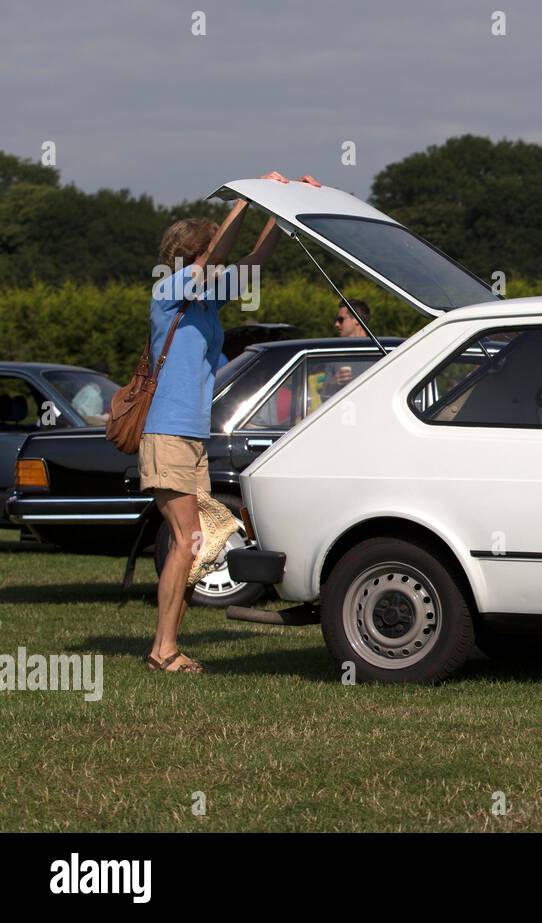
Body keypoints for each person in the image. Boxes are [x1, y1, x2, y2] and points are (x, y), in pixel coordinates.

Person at [142, 173, 291, 674]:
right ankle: (163, 651)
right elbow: (218, 257)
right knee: (187, 540)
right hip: (167, 431)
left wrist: (280, 210)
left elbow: (252, 264)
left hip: (190, 434)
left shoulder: (206, 299)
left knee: (197, 544)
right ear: (194, 253)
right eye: (212, 254)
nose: (222, 263)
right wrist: (244, 201)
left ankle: (168, 644)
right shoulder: (170, 290)